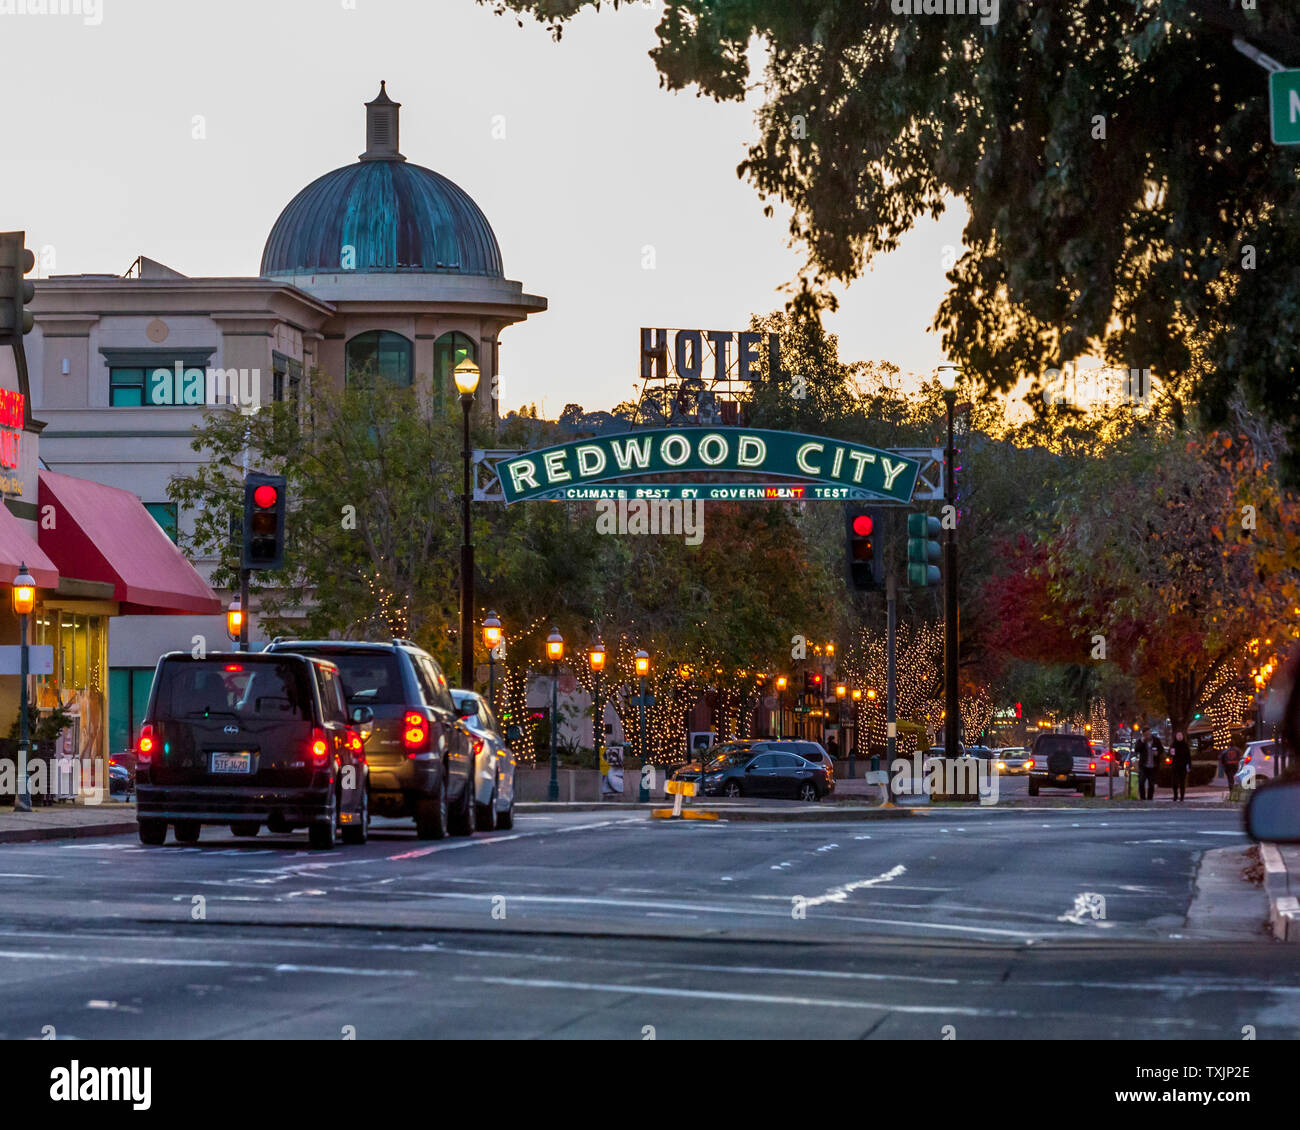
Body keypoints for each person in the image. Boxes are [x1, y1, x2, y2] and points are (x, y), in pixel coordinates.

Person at [1135, 729, 1156, 800]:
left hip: (1152, 765)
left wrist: (1157, 753)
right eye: (1146, 734)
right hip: (1143, 765)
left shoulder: (1155, 740)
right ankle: (1142, 797)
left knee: (1151, 783)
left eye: (1148, 733)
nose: (1147, 735)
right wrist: (1141, 742)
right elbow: (1136, 749)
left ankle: (1150, 797)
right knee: (1141, 782)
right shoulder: (1141, 741)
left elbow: (1161, 749)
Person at [1170, 730, 1191, 801]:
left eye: (1180, 735)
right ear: (1176, 736)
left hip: (1183, 766)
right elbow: (1171, 754)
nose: (1179, 737)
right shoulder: (1173, 745)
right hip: (1175, 766)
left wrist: (1189, 765)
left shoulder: (1185, 745)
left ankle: (1182, 796)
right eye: (1178, 735)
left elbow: (1188, 756)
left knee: (1182, 782)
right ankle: (1175, 795)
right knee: (1174, 782)